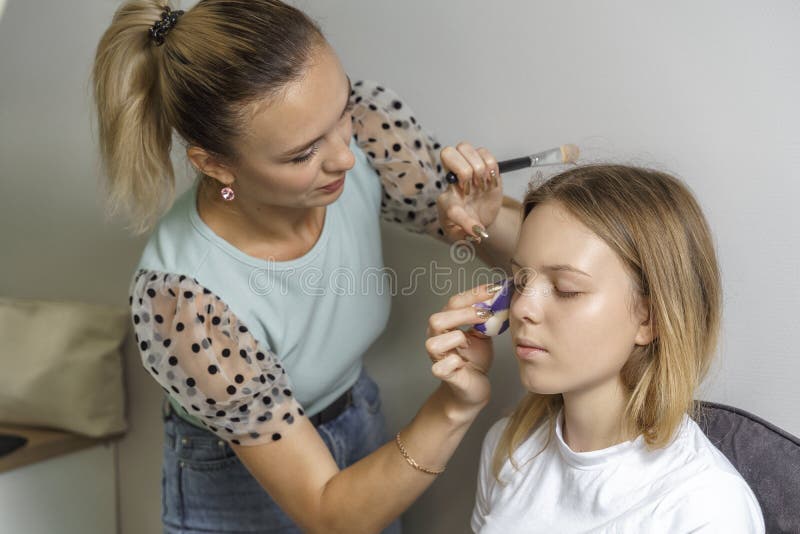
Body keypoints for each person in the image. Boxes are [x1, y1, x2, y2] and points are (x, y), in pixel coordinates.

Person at [92, 1, 522, 533]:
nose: (345, 156)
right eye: (301, 155)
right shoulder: (182, 300)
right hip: (233, 477)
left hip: (355, 412)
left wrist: (485, 219)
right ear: (215, 164)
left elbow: (540, 258)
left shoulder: (365, 130)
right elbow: (329, 512)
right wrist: (456, 406)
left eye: (339, 112)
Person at [436, 164, 763, 532]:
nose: (523, 307)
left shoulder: (705, 509)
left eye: (566, 289)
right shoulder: (509, 448)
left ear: (649, 319)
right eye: (522, 280)